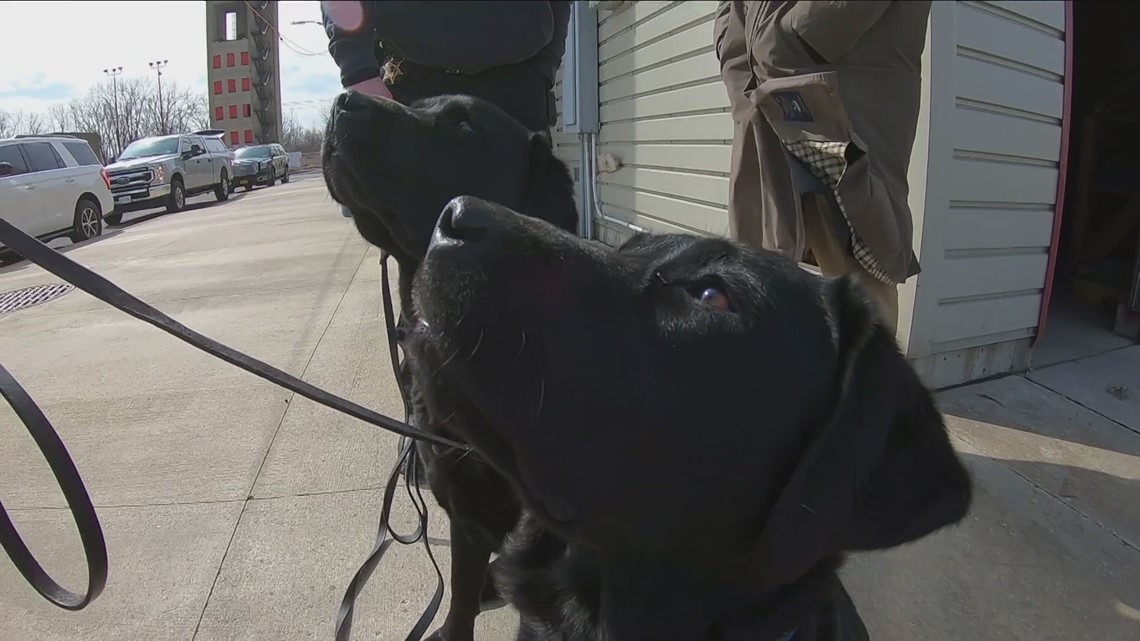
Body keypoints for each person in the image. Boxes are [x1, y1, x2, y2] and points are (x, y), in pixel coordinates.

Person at [715, 1, 932, 334]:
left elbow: (814, 26)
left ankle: (866, 369)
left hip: (842, 101)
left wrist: (782, 41)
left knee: (861, 269)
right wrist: (737, 53)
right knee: (764, 263)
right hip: (765, 104)